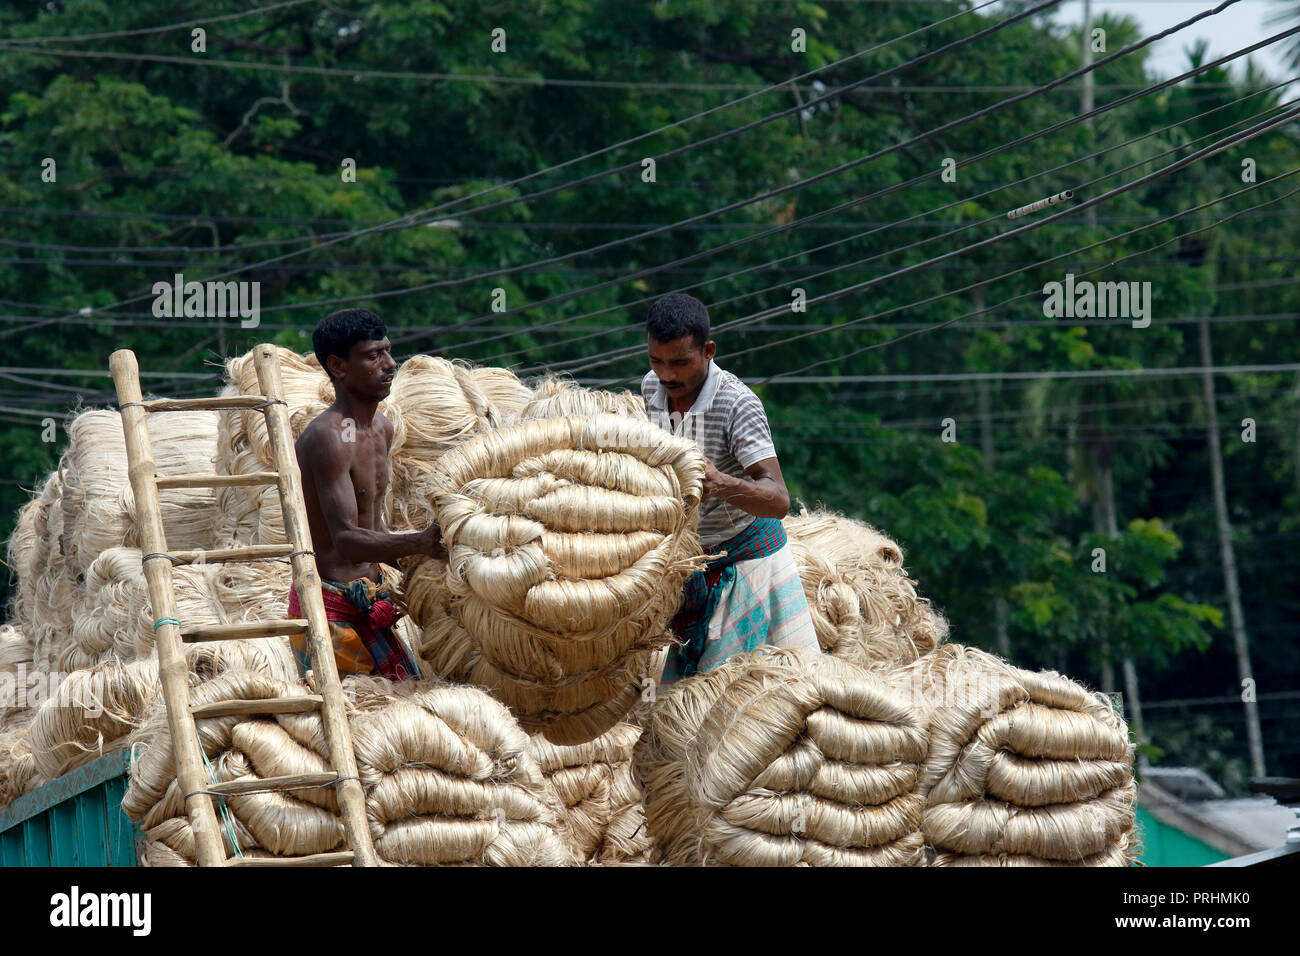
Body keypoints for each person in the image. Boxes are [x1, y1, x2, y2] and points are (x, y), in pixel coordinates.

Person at [641, 292, 819, 686]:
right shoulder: (650, 389)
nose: (667, 375)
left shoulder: (738, 405)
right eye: (657, 361)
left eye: (680, 363)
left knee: (762, 695)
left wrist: (720, 483)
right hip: (689, 565)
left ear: (708, 351)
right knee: (682, 706)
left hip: (749, 565)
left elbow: (778, 500)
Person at [290, 308, 444, 680]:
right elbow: (346, 541)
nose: (390, 364)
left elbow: (371, 526)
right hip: (330, 611)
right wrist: (420, 543)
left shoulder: (382, 428)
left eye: (389, 351)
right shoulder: (329, 437)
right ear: (339, 367)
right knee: (361, 723)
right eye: (373, 356)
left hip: (370, 603)